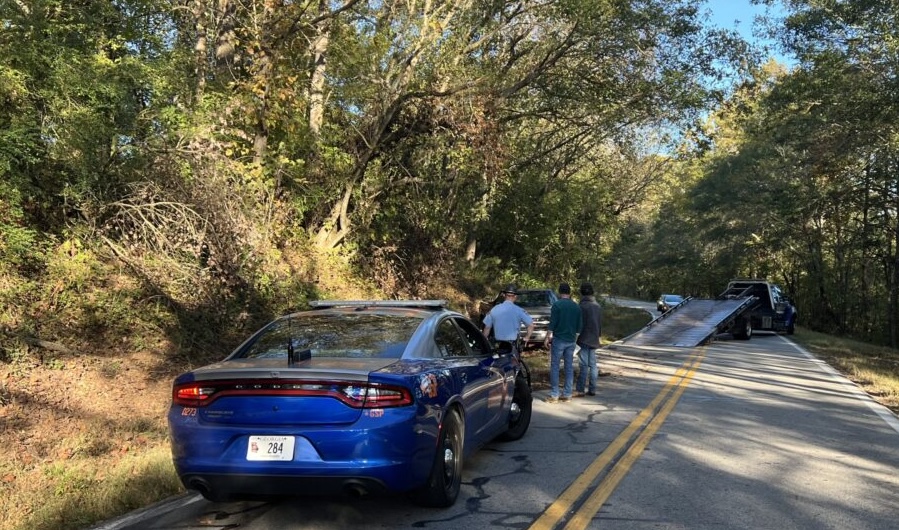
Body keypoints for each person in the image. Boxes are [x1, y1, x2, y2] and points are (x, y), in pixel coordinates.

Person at [543, 282, 582, 403]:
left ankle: (554, 394)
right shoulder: (576, 306)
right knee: (569, 367)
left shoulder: (557, 305)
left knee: (555, 366)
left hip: (559, 339)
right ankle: (567, 393)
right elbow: (579, 327)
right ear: (569, 293)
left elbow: (552, 323)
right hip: (571, 340)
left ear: (559, 293)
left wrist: (547, 337)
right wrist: (574, 339)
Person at [482, 284, 534, 357]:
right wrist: (526, 338)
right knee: (513, 366)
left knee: (496, 366)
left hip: (497, 346)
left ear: (504, 295)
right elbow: (531, 325)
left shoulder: (494, 309)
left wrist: (484, 342)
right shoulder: (519, 310)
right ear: (515, 296)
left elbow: (487, 328)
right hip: (511, 346)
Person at [574, 282, 602, 397]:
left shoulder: (581, 307)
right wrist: (599, 335)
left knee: (584, 365)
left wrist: (576, 337)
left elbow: (579, 324)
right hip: (594, 338)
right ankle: (592, 389)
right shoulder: (597, 306)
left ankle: (580, 389)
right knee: (593, 365)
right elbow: (600, 323)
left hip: (583, 338)